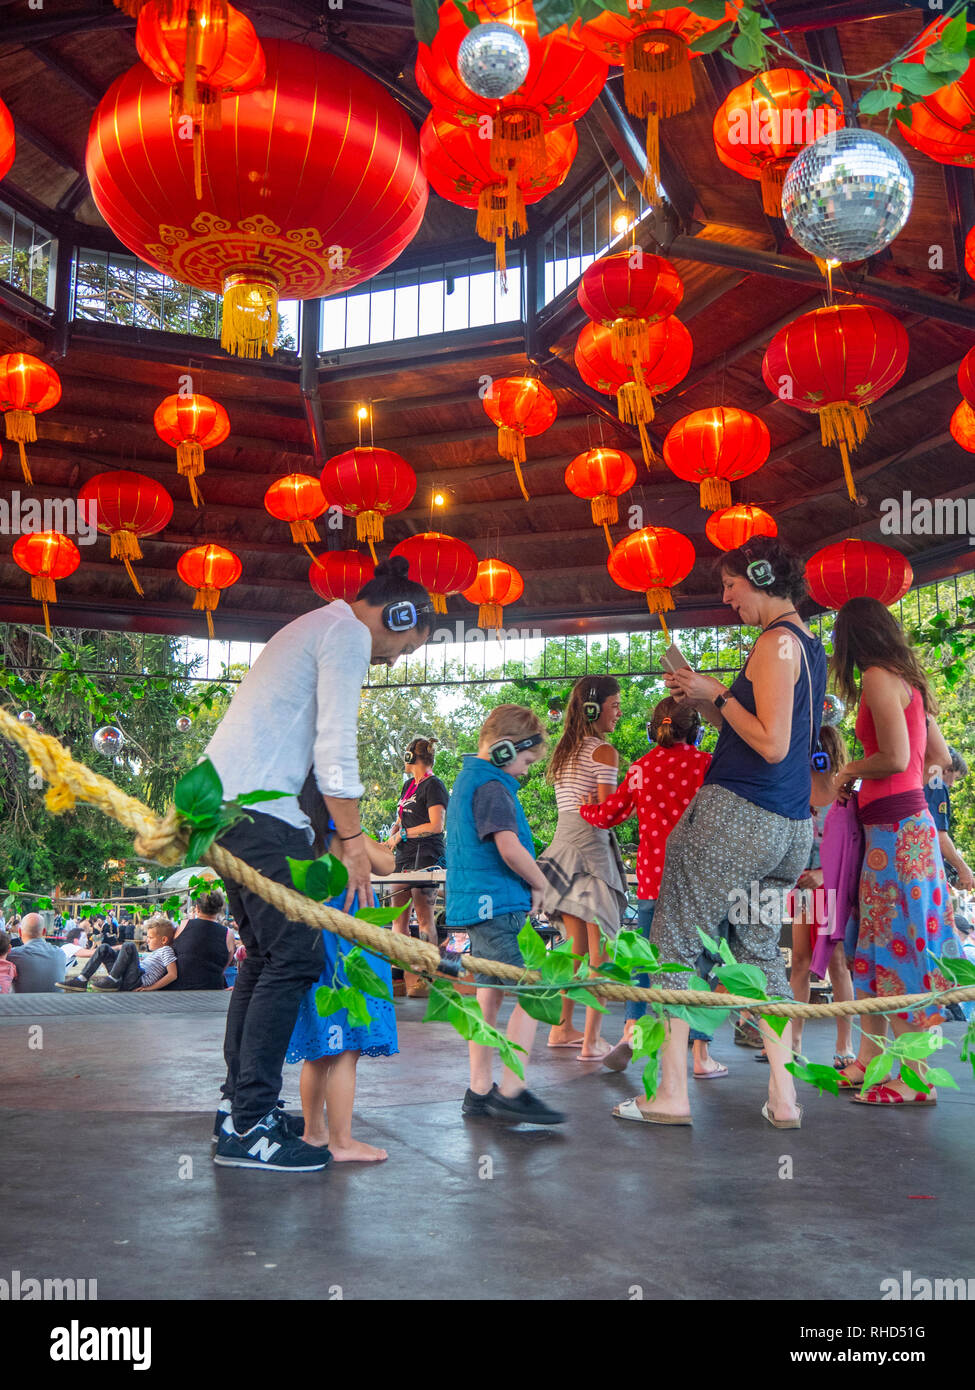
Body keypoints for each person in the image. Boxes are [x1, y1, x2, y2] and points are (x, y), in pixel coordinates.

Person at [209, 556, 434, 1173]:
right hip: (261, 812)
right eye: (406, 646)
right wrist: (355, 838)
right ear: (400, 613)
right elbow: (336, 743)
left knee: (267, 956)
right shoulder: (348, 634)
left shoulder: (314, 626)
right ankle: (250, 1123)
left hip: (221, 806)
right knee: (297, 956)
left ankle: (239, 1110)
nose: (395, 661)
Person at [620, 537, 826, 1129]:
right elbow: (758, 730)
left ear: (761, 575)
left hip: (735, 815)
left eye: (732, 582)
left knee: (677, 943)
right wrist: (707, 698)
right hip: (788, 830)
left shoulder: (774, 643)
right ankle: (784, 1099)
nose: (726, 595)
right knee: (760, 954)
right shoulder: (806, 645)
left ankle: (671, 1094)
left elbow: (770, 743)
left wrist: (718, 695)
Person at [829, 597, 956, 1107]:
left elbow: (898, 757)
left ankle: (915, 1077)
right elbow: (940, 757)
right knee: (884, 944)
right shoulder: (910, 680)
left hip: (896, 829)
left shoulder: (879, 676)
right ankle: (876, 1060)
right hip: (904, 827)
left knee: (899, 946)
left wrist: (848, 771)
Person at [579, 697, 723, 1077]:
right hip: (698, 881)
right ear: (697, 730)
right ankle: (701, 1056)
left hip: (652, 877)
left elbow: (611, 814)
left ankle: (631, 1031)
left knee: (646, 958)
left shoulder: (641, 768)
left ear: (653, 729)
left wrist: (586, 808)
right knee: (702, 963)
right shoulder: (707, 765)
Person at [447, 704, 565, 1124]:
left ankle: (479, 1089)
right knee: (538, 990)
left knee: (490, 994)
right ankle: (512, 1090)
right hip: (498, 906)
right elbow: (509, 847)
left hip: (476, 908)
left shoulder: (467, 780)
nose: (526, 771)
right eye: (527, 761)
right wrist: (541, 884)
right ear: (503, 751)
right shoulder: (493, 787)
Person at [282, 777, 397, 1163]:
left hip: (316, 944)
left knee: (319, 1049)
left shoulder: (301, 836)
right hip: (351, 946)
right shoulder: (343, 833)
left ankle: (314, 1132)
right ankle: (342, 1141)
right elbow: (387, 862)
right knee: (347, 1050)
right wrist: (359, 830)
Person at [538, 675, 627, 1063]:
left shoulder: (564, 751)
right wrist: (627, 799)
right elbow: (608, 813)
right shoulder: (603, 751)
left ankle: (562, 1027)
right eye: (614, 705)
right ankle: (592, 1040)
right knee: (601, 951)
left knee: (573, 949)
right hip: (591, 851)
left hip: (562, 848)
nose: (619, 712)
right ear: (594, 708)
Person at [769, 723, 856, 1069]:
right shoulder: (796, 791)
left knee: (836, 965)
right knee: (801, 961)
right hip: (802, 890)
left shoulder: (845, 795)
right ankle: (795, 1040)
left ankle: (844, 1045)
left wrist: (822, 875)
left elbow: (849, 848)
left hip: (832, 890)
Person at [385, 736, 449, 1000]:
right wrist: (395, 830)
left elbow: (436, 825)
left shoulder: (434, 785)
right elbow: (402, 819)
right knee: (397, 917)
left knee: (424, 915)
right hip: (404, 856)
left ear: (413, 757)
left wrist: (404, 834)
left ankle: (426, 977)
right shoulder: (408, 786)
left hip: (426, 856)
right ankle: (397, 978)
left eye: (406, 754)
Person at [58, 916, 178, 992]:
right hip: (126, 977)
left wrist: (149, 988)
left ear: (164, 940)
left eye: (151, 938)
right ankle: (82, 979)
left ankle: (113, 979)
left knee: (129, 946)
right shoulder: (157, 952)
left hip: (136, 980)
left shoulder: (166, 950)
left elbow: (173, 975)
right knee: (104, 948)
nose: (147, 940)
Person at [924, 748, 974, 893]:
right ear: (947, 770)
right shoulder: (937, 785)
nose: (952, 785)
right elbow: (938, 836)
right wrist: (963, 869)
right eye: (956, 778)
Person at [171, 890, 235, 991]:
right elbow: (224, 966)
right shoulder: (228, 934)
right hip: (212, 991)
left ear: (197, 908)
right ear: (219, 909)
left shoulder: (183, 925)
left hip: (179, 990)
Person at [9, 913, 66, 993]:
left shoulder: (12, 955)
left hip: (23, 1004)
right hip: (55, 1004)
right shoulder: (60, 953)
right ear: (44, 931)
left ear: (20, 932)